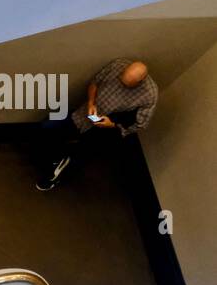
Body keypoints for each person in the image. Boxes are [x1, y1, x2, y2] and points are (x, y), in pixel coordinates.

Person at [36, 58, 158, 191]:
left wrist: (112, 125)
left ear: (140, 82)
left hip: (106, 128)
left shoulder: (150, 95)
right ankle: (56, 156)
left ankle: (56, 176)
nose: (122, 85)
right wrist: (90, 102)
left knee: (80, 155)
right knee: (48, 126)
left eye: (127, 84)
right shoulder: (117, 65)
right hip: (84, 113)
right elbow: (95, 82)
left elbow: (140, 124)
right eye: (122, 78)